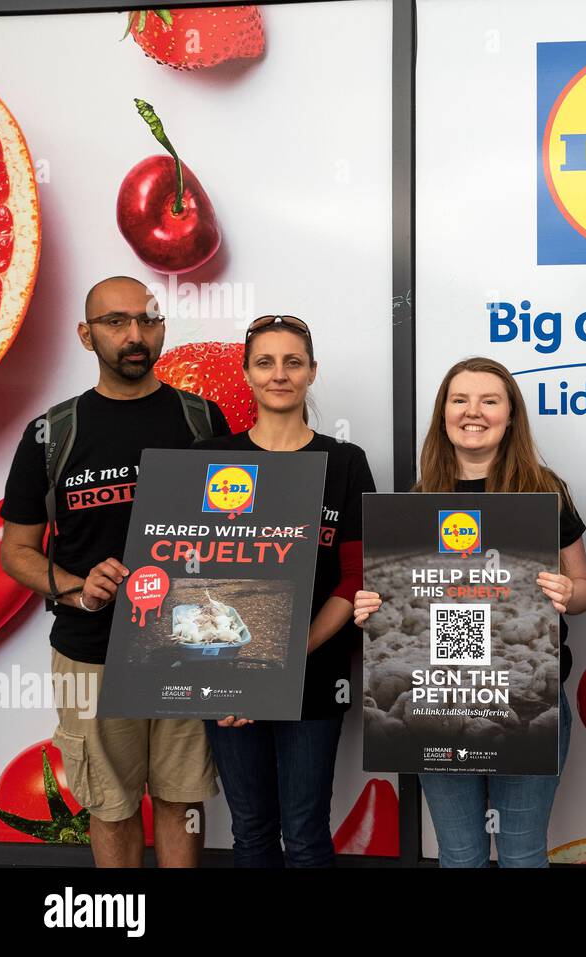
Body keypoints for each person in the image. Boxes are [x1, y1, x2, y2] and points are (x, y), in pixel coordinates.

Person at [0, 276, 230, 867]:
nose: (135, 335)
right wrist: (77, 588)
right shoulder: (53, 432)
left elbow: (239, 534)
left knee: (183, 801)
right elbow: (17, 550)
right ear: (86, 334)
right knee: (112, 806)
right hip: (91, 649)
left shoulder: (203, 420)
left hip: (188, 646)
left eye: (148, 321)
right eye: (115, 322)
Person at [353, 356, 586, 867]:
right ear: (443, 414)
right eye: (459, 400)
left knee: (523, 852)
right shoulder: (418, 501)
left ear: (511, 415)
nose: (473, 412)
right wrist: (373, 605)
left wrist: (564, 592)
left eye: (490, 400)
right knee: (459, 853)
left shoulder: (544, 491)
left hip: (531, 699)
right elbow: (413, 607)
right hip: (438, 698)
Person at [195, 314, 375, 867]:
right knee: (249, 831)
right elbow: (191, 576)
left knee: (304, 835)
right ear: (247, 373)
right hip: (226, 676)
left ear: (312, 372)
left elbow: (355, 579)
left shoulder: (344, 463)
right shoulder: (209, 459)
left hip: (312, 677)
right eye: (265, 362)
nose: (280, 374)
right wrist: (236, 672)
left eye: (293, 362)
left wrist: (289, 653)